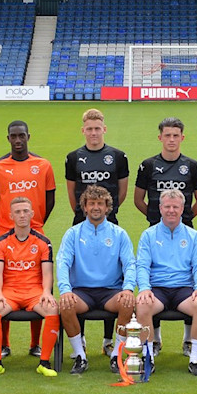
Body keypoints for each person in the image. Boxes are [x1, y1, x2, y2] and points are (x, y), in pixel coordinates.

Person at [133, 116, 197, 356]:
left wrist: (182, 217)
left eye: (176, 135)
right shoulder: (148, 165)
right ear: (160, 137)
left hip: (182, 230)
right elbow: (138, 199)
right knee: (155, 278)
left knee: (185, 274)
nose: (172, 139)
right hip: (158, 228)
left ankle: (188, 340)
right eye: (167, 135)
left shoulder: (192, 166)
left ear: (182, 138)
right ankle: (154, 341)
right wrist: (156, 216)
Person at [0, 120, 56, 358]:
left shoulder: (43, 165)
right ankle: (3, 344)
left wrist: (35, 222)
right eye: (13, 136)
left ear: (29, 136)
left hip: (35, 232)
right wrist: (5, 222)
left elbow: (50, 199)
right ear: (8, 138)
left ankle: (35, 344)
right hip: (6, 234)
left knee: (36, 284)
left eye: (22, 136)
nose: (18, 140)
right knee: (4, 286)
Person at [64, 108, 129, 356]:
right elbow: (72, 193)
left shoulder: (118, 156)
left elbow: (121, 190)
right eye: (89, 129)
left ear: (104, 129)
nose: (93, 132)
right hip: (81, 222)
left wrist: (108, 211)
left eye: (97, 128)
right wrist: (84, 212)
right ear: (83, 130)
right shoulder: (73, 158)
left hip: (109, 220)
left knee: (110, 276)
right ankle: (79, 342)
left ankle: (107, 340)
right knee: (80, 277)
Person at [56, 185, 136, 375]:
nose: (96, 207)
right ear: (84, 207)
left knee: (127, 303)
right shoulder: (73, 234)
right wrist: (65, 290)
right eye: (91, 203)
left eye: (100, 203)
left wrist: (128, 288)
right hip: (82, 292)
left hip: (110, 292)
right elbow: (62, 263)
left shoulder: (119, 234)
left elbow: (130, 264)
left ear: (107, 207)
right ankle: (80, 356)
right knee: (65, 305)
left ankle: (116, 355)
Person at [133, 189, 197, 376]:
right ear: (160, 208)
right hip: (157, 289)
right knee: (142, 306)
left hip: (183, 289)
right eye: (167, 206)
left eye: (175, 207)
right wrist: (144, 288)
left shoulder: (193, 236)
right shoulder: (149, 235)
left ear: (182, 208)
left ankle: (195, 359)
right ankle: (148, 357)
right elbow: (142, 265)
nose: (171, 210)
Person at [0, 197, 59, 377]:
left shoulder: (43, 242)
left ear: (32, 214)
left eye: (26, 211)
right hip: (10, 292)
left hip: (34, 292)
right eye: (18, 212)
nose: (22, 215)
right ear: (11, 215)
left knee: (52, 308)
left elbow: (47, 272)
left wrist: (46, 292)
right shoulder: (1, 242)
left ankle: (44, 362)